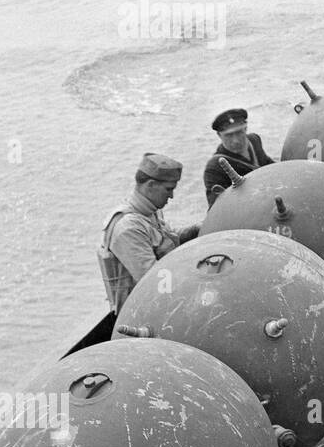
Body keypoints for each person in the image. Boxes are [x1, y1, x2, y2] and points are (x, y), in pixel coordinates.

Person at [98, 153, 201, 312]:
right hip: (141, 313)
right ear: (151, 185)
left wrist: (197, 229)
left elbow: (166, 240)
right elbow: (156, 282)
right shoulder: (129, 228)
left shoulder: (148, 212)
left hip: (160, 301)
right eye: (168, 189)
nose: (171, 196)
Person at [203, 108, 275, 206]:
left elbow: (267, 163)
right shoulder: (214, 169)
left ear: (245, 128)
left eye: (239, 132)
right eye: (229, 135)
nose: (236, 140)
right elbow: (215, 210)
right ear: (219, 135)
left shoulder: (254, 140)